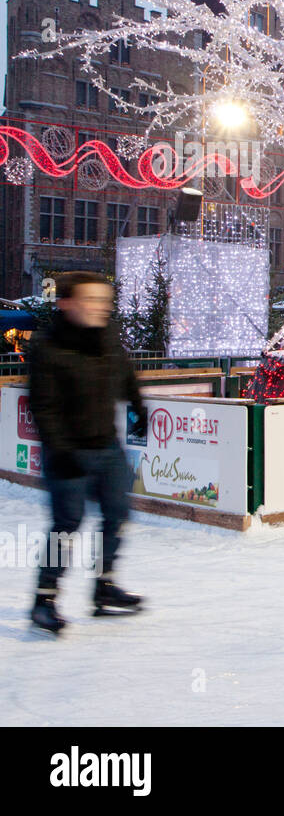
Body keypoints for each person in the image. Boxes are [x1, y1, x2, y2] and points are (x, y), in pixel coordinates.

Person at [26, 271, 148, 634]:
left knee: (117, 513)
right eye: (90, 300)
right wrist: (59, 450)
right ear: (66, 304)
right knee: (67, 524)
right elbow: (42, 405)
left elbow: (124, 372)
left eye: (105, 300)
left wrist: (138, 407)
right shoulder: (47, 346)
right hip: (67, 450)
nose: (101, 307)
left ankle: (104, 586)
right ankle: (44, 600)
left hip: (106, 444)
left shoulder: (107, 334)